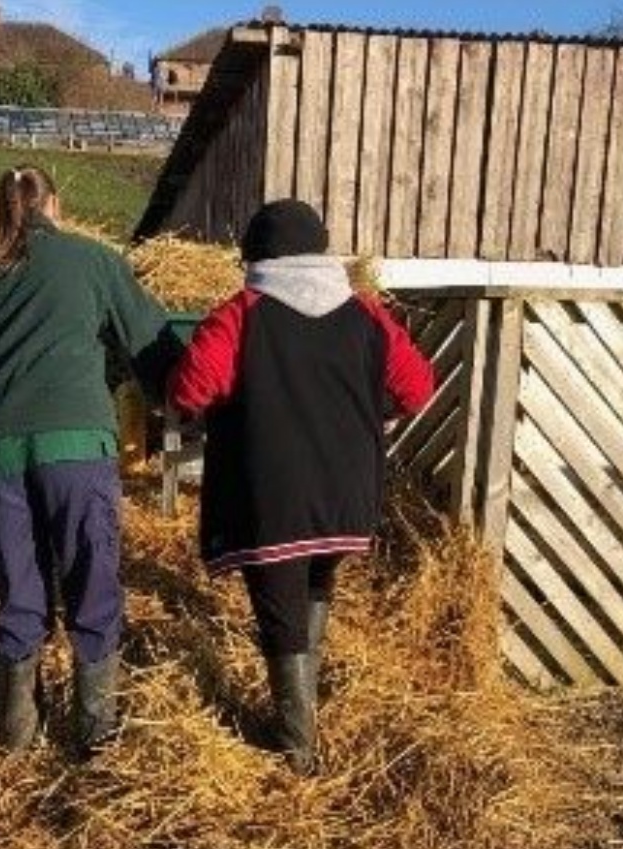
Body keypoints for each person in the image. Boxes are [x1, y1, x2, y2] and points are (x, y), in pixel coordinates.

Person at [169, 199, 435, 773]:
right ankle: (302, 719)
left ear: (256, 258)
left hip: (272, 495)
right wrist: (369, 411)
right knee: (315, 586)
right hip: (346, 496)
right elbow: (417, 389)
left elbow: (191, 390)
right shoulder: (367, 316)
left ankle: (297, 751)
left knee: (281, 617)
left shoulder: (241, 313)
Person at [0, 164, 179, 752]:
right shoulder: (93, 261)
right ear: (55, 205)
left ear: (3, 209)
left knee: (19, 586)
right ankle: (94, 738)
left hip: (0, 450)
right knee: (92, 577)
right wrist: (177, 399)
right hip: (76, 448)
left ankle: (16, 738)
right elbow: (151, 341)